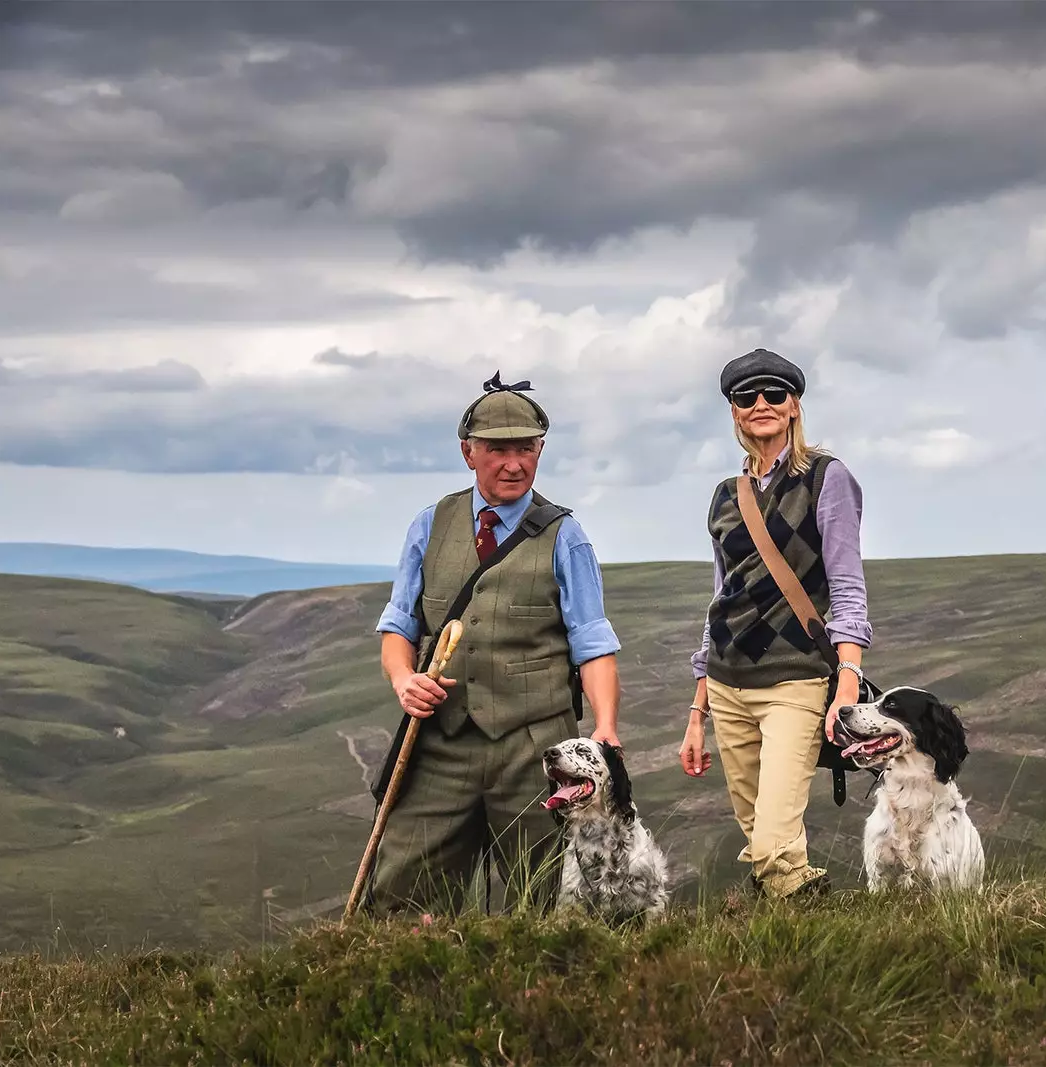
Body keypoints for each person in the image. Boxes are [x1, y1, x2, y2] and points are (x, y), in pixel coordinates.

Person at [367, 373, 623, 916]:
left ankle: (549, 993)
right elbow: (398, 626)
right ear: (468, 453)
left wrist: (604, 729)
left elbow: (592, 641)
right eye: (497, 450)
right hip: (439, 742)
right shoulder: (429, 525)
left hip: (536, 749)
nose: (513, 463)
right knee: (400, 890)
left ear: (540, 450)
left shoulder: (565, 536)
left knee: (554, 893)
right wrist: (402, 679)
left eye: (525, 449)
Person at [677, 348, 873, 898]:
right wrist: (698, 709)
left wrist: (848, 686)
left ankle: (813, 930)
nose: (761, 403)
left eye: (774, 394)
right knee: (766, 850)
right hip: (726, 682)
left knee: (771, 845)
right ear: (735, 412)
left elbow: (848, 587)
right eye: (746, 396)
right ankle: (801, 957)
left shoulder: (826, 479)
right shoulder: (723, 496)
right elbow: (721, 596)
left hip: (795, 682)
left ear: (794, 406)